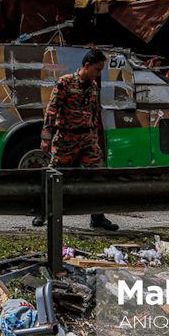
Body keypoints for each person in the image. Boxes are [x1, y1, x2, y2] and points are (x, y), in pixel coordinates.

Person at [32, 49, 119, 231]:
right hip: (66, 138)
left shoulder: (93, 86)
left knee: (97, 175)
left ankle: (97, 216)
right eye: (97, 68)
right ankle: (43, 213)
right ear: (86, 66)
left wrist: (95, 135)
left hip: (87, 139)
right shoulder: (66, 82)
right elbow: (52, 109)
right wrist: (46, 138)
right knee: (55, 176)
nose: (99, 72)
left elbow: (94, 112)